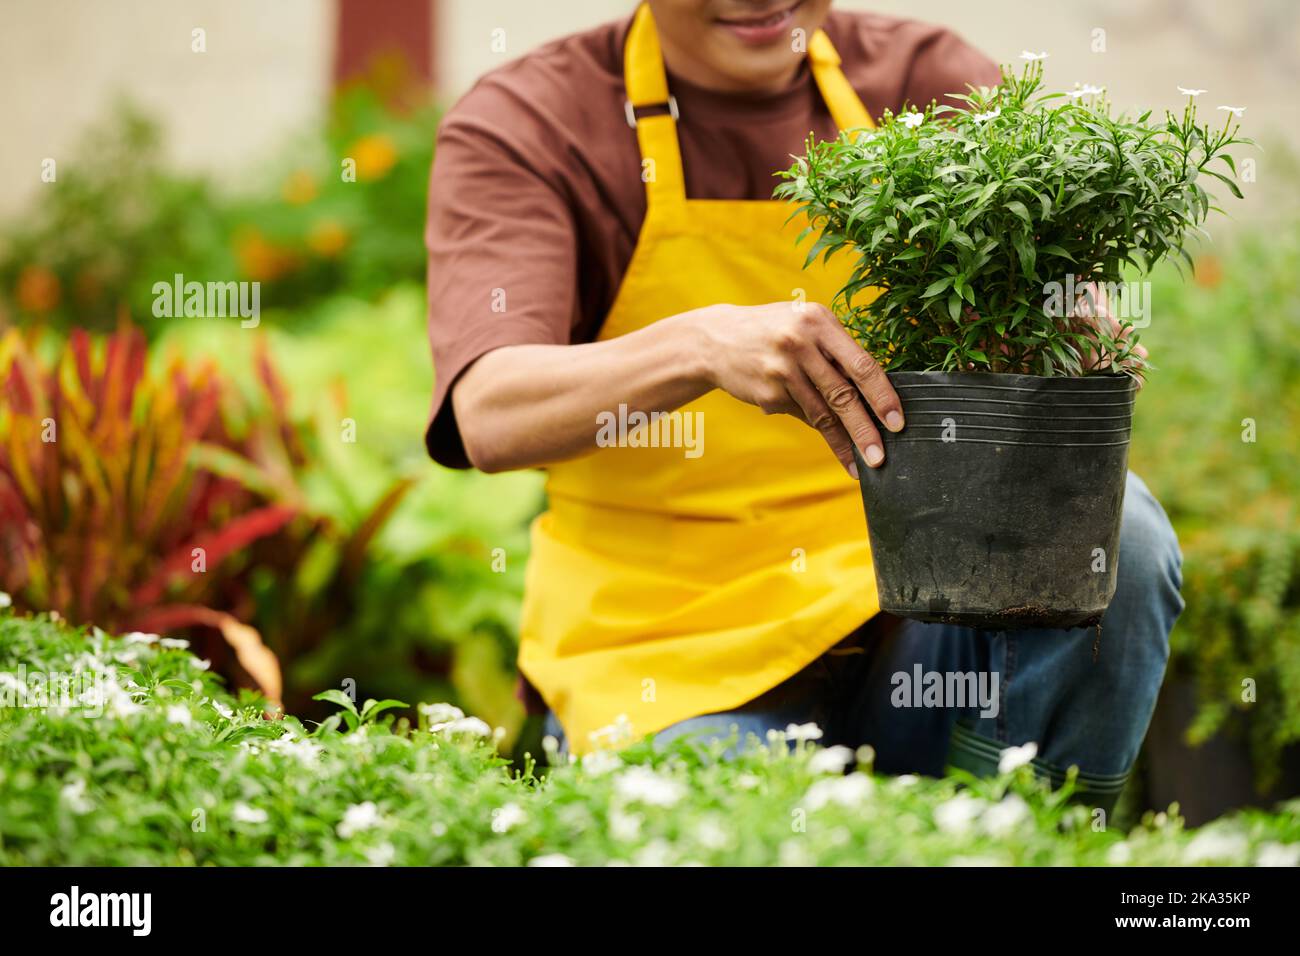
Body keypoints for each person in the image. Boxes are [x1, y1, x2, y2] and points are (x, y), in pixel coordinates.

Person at [424, 0, 1182, 812]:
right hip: (671, 657)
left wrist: (1070, 330)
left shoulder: (927, 83)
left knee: (1119, 539)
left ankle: (1024, 840)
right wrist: (699, 347)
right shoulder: (535, 120)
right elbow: (490, 409)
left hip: (922, 620)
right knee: (748, 839)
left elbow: (1059, 304)